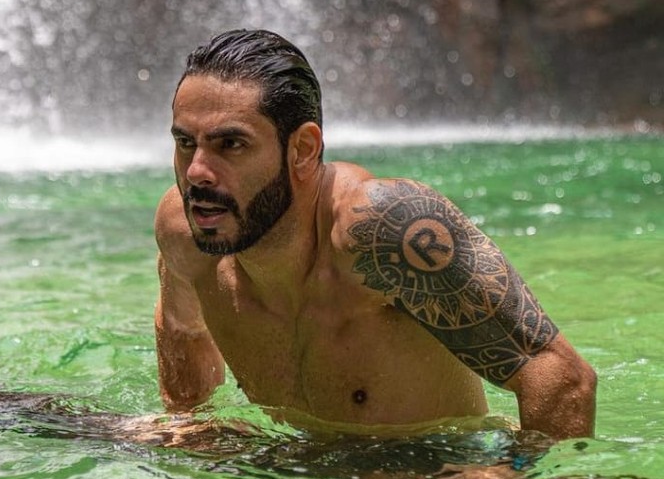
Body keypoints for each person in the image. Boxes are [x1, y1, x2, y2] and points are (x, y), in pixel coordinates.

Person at [154, 28, 597, 441]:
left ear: (303, 150)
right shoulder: (184, 229)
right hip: (297, 466)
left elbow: (558, 374)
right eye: (186, 143)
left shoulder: (383, 231)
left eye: (231, 144)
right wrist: (187, 431)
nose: (196, 173)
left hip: (436, 475)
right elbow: (181, 326)